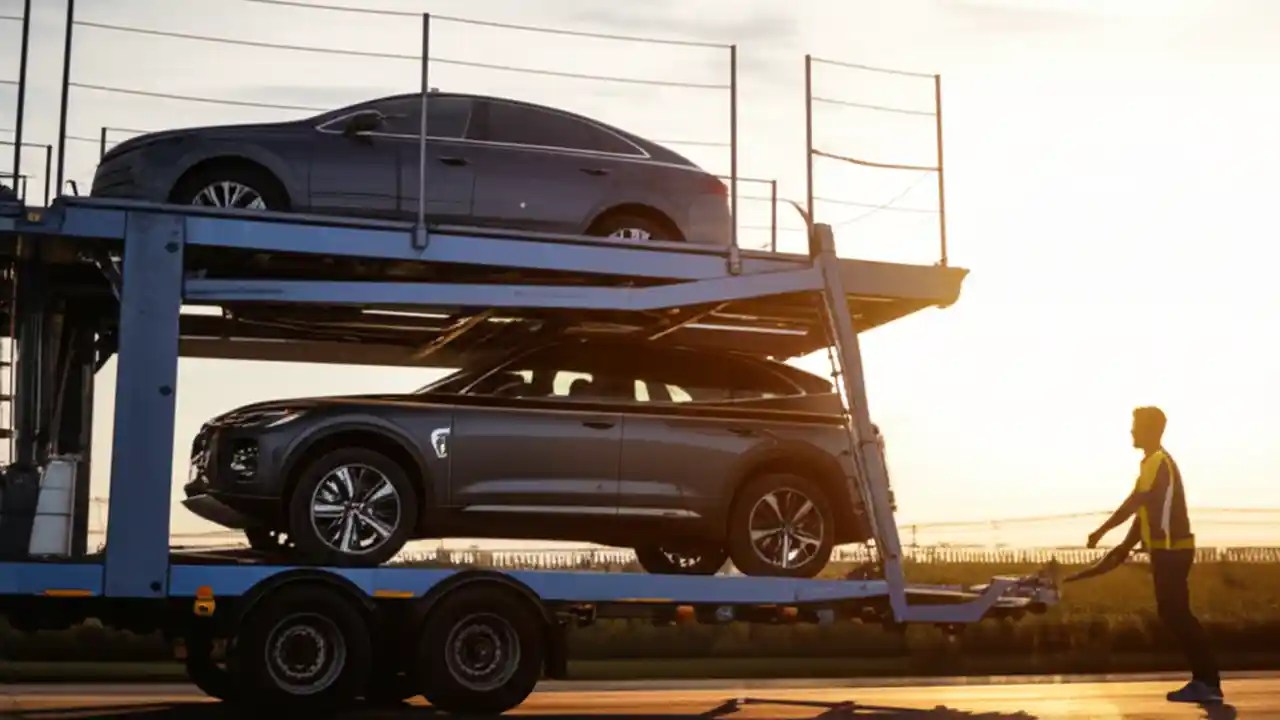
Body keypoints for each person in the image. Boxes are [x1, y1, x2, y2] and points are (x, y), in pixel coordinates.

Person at [1078, 406, 1222, 704]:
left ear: (1151, 430)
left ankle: (1207, 682)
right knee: (1173, 613)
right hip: (1166, 551)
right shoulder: (1151, 463)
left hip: (1173, 550)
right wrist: (1125, 546)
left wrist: (1101, 531)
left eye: (1136, 426)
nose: (1131, 431)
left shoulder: (1158, 461)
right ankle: (1206, 681)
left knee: (1177, 614)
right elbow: (1143, 511)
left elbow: (1134, 503)